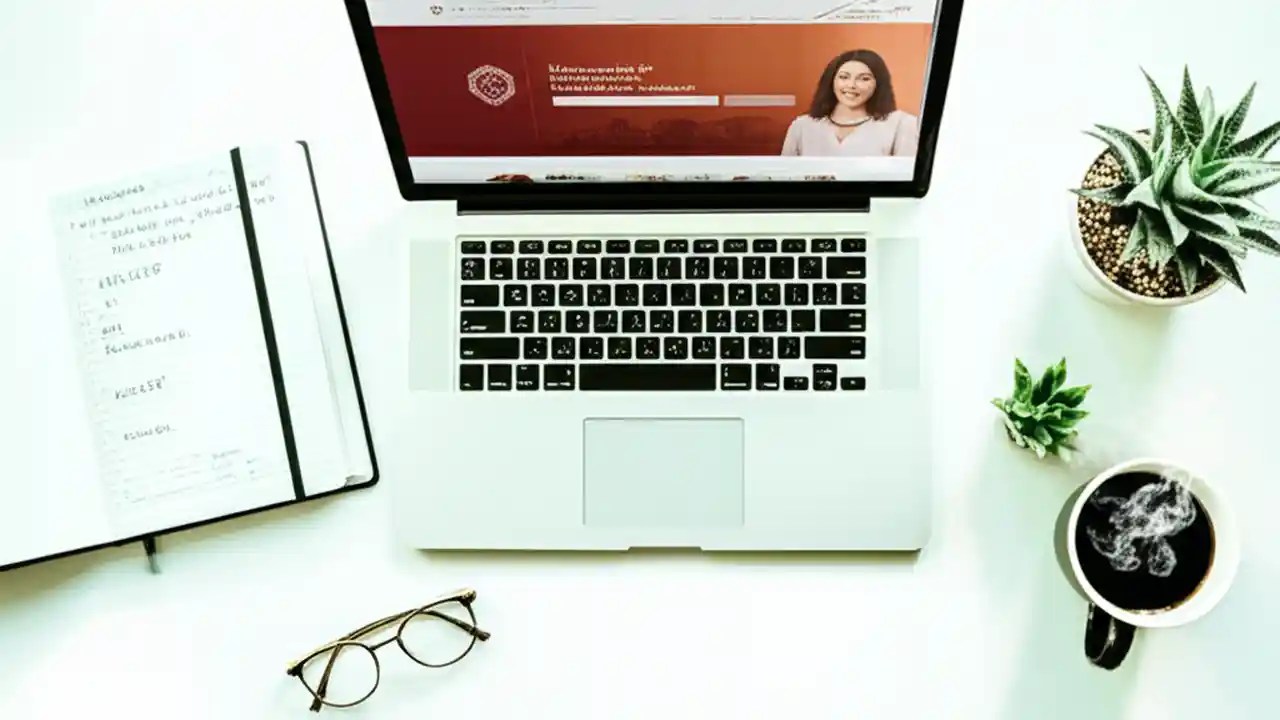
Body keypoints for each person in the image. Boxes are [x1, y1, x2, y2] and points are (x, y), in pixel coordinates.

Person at [781, 49, 919, 157]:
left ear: (878, 84)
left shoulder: (902, 124)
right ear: (831, 81)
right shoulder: (802, 126)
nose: (851, 85)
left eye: (864, 79)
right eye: (844, 77)